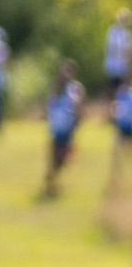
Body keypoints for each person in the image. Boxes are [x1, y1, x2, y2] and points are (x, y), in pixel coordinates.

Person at [42, 58, 84, 200]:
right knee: (53, 158)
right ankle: (51, 184)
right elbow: (50, 107)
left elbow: (78, 107)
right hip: (56, 128)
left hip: (67, 129)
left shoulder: (74, 89)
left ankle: (53, 181)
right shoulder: (56, 89)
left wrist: (77, 122)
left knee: (63, 158)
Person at [105, 8, 131, 102]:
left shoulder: (126, 33)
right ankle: (109, 108)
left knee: (121, 88)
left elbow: (128, 51)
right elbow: (113, 49)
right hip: (113, 65)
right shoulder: (113, 31)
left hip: (122, 66)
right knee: (112, 87)